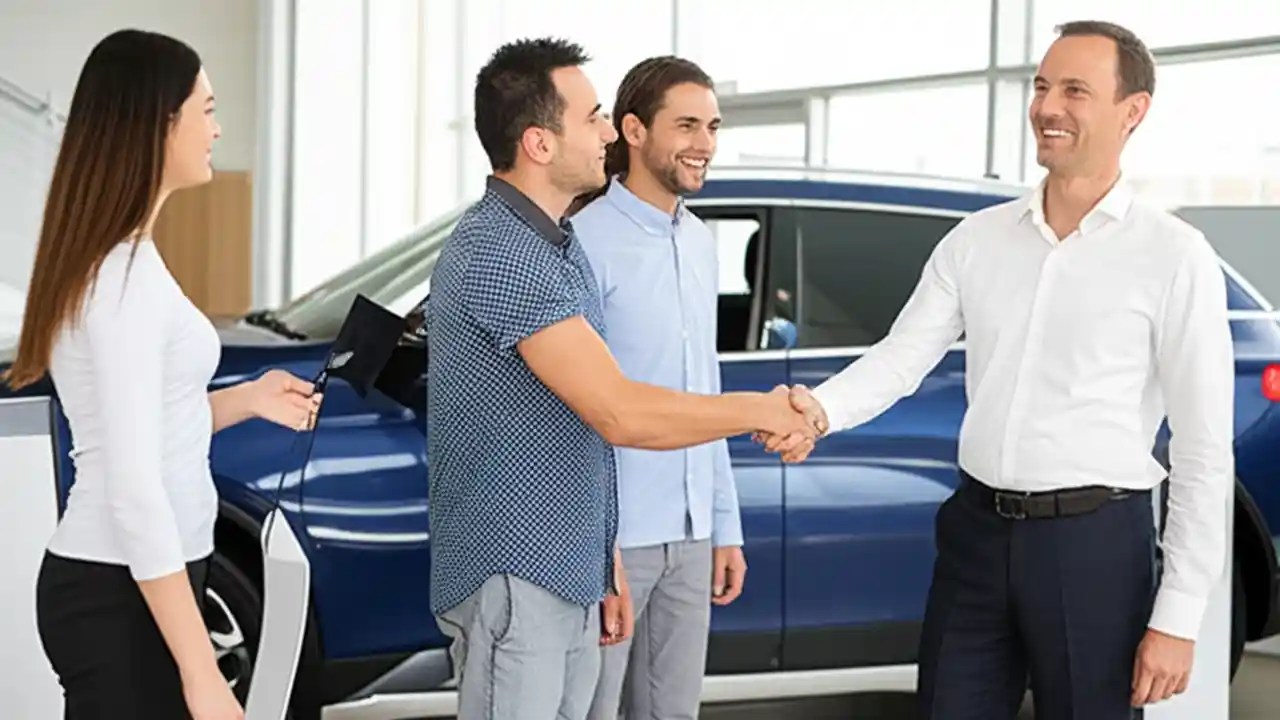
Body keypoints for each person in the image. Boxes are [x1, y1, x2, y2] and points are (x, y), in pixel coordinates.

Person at [764, 20, 1233, 720]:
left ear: (1132, 110)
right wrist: (821, 411)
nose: (1047, 107)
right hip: (977, 536)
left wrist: (1179, 616)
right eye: (1041, 87)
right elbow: (902, 355)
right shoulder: (977, 240)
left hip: (1094, 548)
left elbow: (1202, 449)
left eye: (1074, 90)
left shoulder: (1174, 255)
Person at [424, 38, 822, 720]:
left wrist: (601, 549)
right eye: (592, 118)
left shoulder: (552, 245)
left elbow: (577, 427)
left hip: (567, 564)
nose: (607, 134)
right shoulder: (501, 251)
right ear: (539, 143)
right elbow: (618, 411)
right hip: (517, 571)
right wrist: (762, 409)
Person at [4, 30, 321, 720]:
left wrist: (249, 398)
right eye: (206, 110)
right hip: (117, 589)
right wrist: (202, 672)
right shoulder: (119, 283)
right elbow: (133, 485)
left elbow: (155, 429)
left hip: (136, 580)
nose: (218, 129)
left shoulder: (130, 262)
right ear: (158, 124)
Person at [569, 56, 743, 720]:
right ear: (634, 130)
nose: (705, 144)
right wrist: (597, 547)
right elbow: (573, 409)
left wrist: (724, 526)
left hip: (692, 537)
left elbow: (707, 394)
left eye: (713, 127)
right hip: (616, 540)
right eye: (687, 125)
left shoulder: (699, 242)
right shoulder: (583, 242)